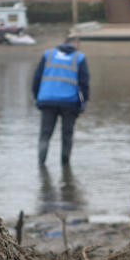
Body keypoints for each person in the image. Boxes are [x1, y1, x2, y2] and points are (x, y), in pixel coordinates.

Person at [32, 36, 89, 165]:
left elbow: (36, 78)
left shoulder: (48, 54)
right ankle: (65, 165)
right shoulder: (79, 57)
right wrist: (83, 103)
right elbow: (84, 84)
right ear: (76, 43)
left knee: (45, 134)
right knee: (67, 135)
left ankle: (41, 164)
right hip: (70, 103)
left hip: (47, 100)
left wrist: (37, 97)